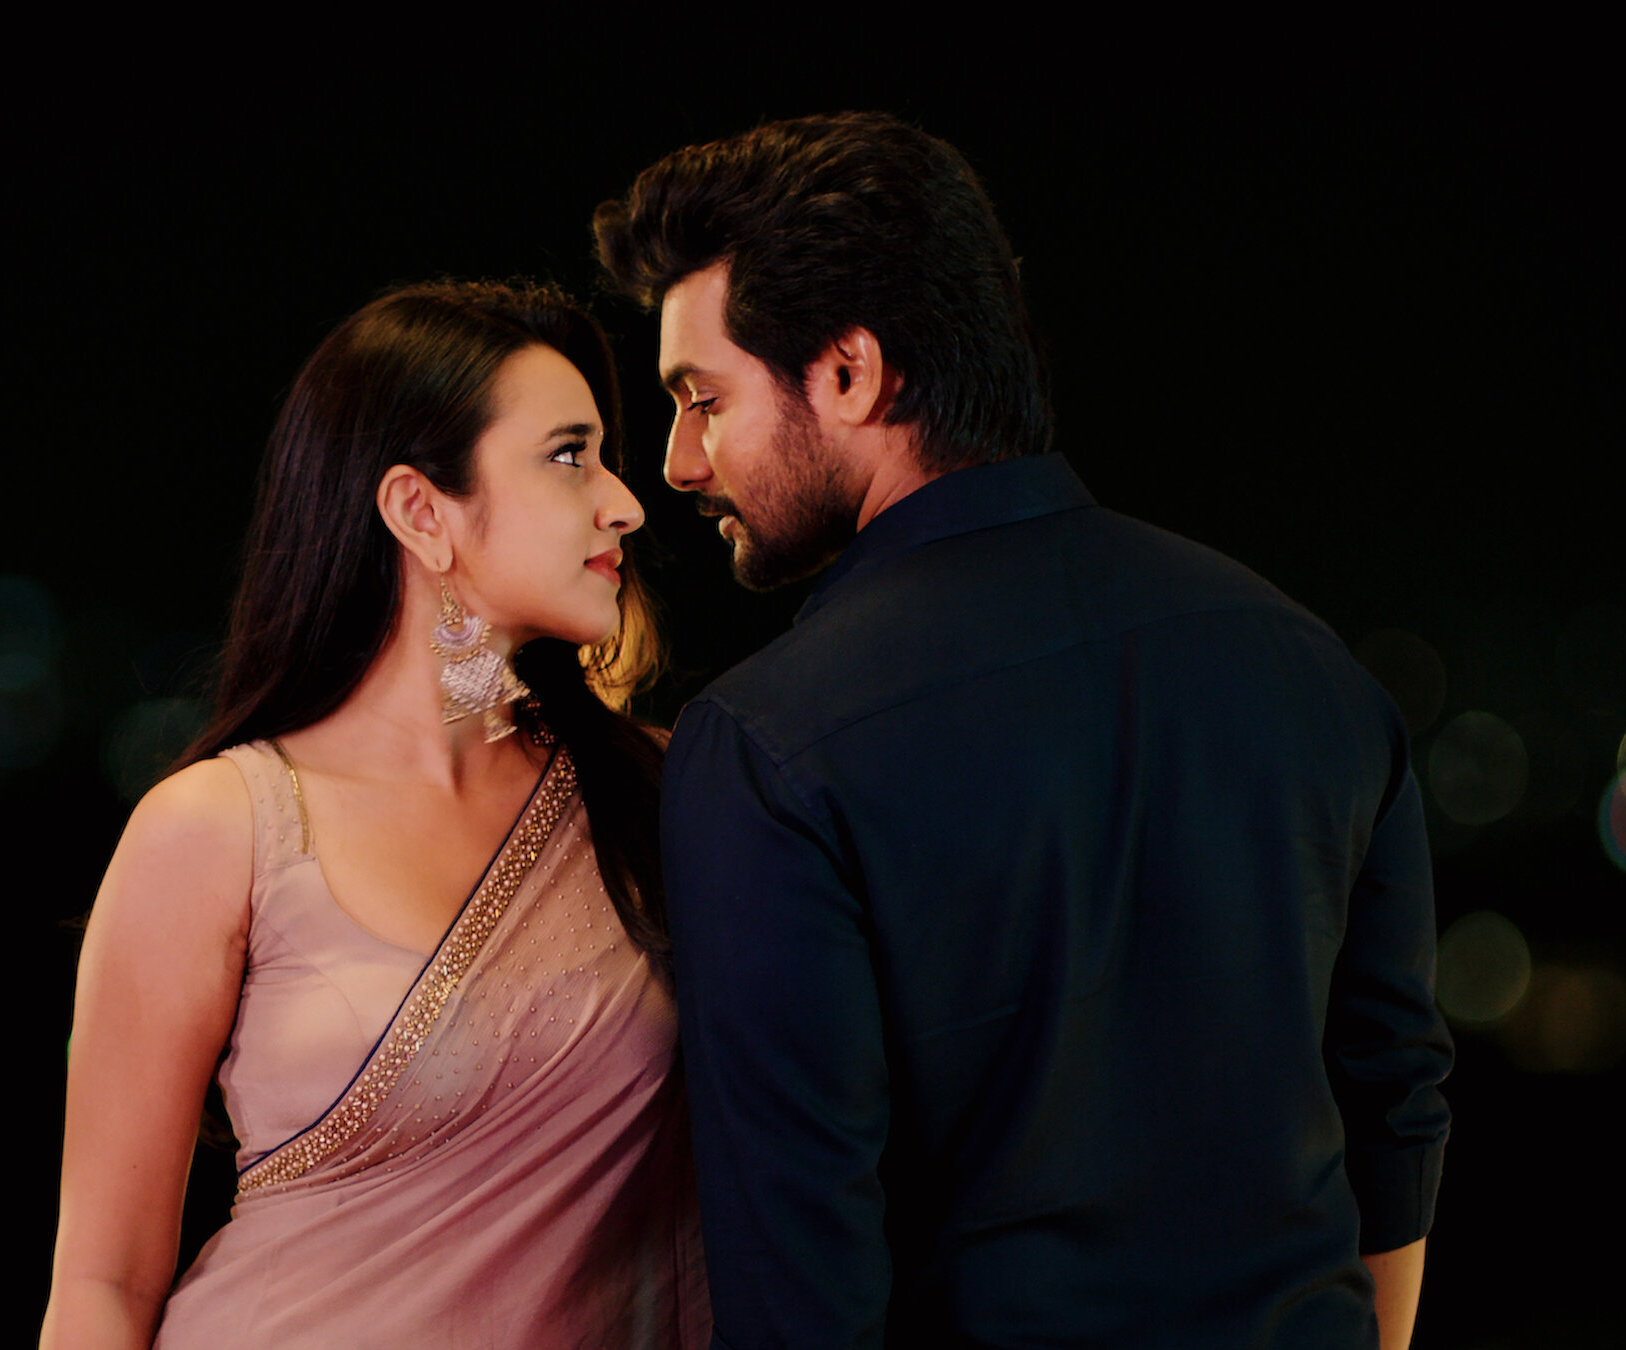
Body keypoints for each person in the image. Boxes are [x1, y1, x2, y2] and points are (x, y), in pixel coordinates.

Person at [592, 113, 1453, 1349]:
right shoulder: (1314, 667)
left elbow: (799, 1278)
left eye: (700, 398)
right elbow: (1395, 1103)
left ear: (849, 373)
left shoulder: (767, 746)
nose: (680, 462)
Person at [38, 281, 709, 1349]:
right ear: (420, 512)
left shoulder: (659, 799)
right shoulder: (220, 829)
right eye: (568, 456)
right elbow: (103, 1284)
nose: (624, 501)